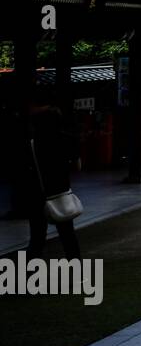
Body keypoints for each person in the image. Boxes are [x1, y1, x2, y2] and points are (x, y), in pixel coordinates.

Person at [20, 103, 81, 259]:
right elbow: (78, 166)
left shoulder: (31, 144)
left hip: (37, 195)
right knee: (68, 237)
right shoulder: (67, 139)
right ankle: (77, 272)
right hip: (60, 193)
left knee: (37, 238)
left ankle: (30, 275)